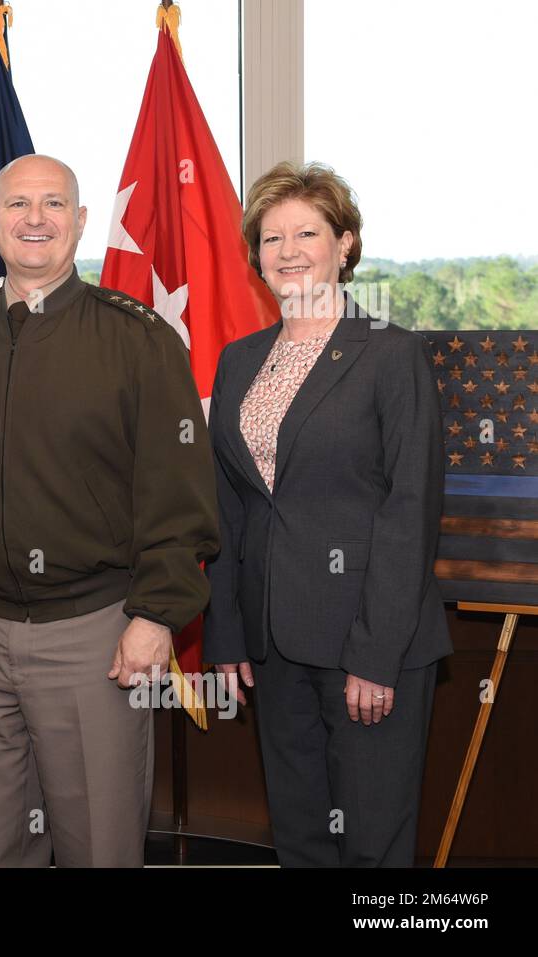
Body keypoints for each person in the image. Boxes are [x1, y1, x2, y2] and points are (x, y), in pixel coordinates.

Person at [0, 154, 218, 867]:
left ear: (80, 222)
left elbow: (179, 493)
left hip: (95, 635)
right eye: (18, 205)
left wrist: (157, 614)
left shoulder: (136, 338)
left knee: (99, 845)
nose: (35, 219)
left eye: (54, 204)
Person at [203, 161, 451, 866]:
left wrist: (375, 657)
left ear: (344, 245)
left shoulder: (392, 355)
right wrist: (224, 634)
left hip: (371, 650)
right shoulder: (239, 360)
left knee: (372, 846)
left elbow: (409, 513)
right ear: (254, 255)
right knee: (303, 839)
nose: (287, 251)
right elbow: (229, 506)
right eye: (271, 236)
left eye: (306, 232)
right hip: (272, 646)